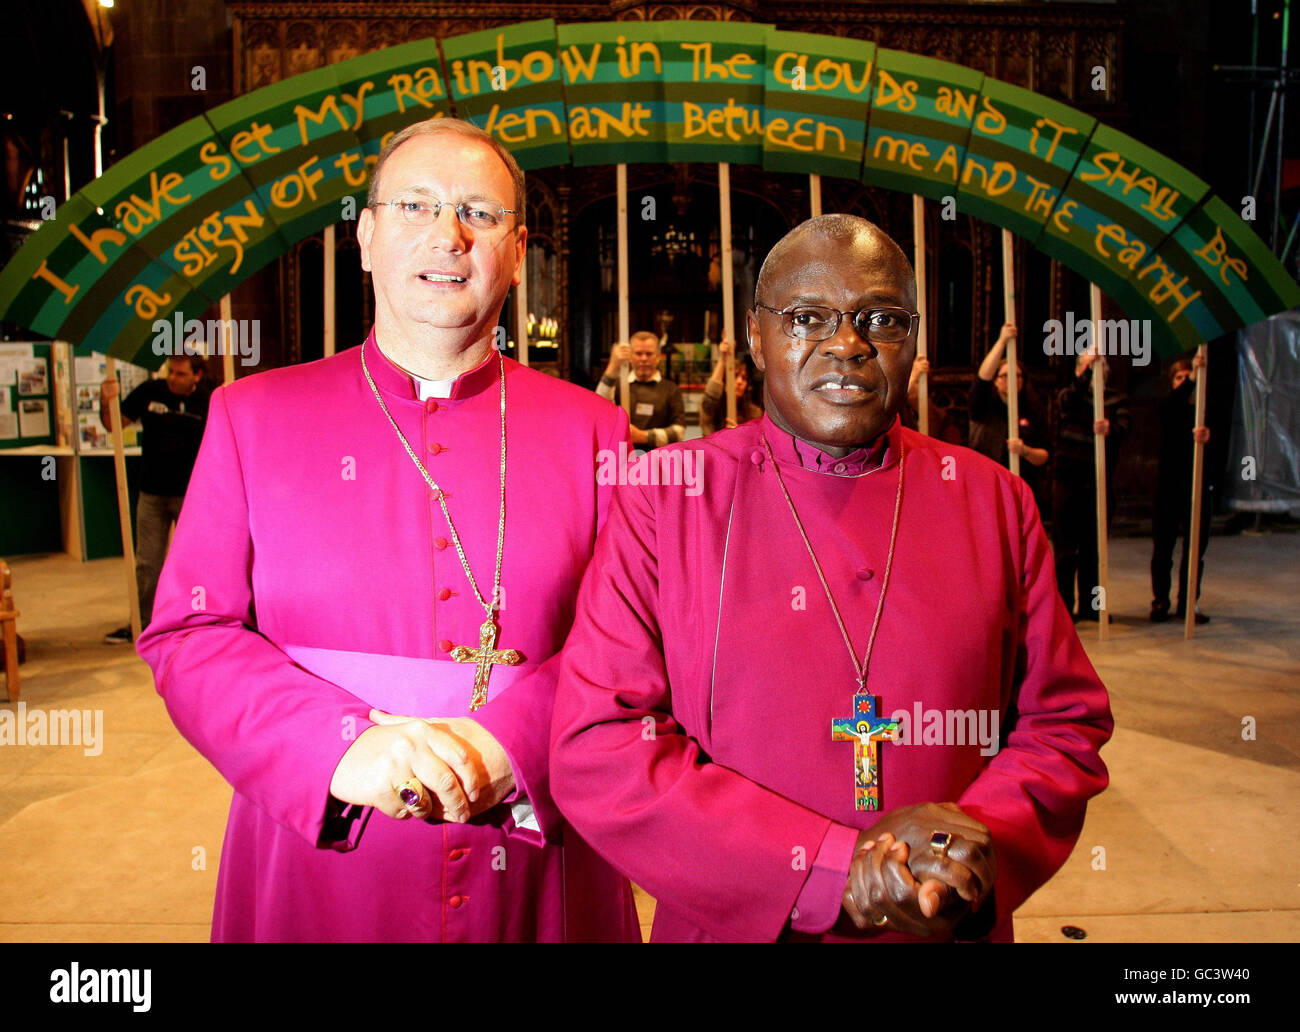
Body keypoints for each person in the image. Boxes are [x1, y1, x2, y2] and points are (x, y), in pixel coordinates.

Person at [137, 117, 638, 942]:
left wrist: (513, 742)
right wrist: (339, 748)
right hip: (322, 847)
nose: (448, 234)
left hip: (537, 847)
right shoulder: (250, 417)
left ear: (516, 253)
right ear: (366, 238)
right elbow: (191, 632)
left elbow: (630, 642)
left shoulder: (595, 432)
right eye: (415, 206)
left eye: (480, 213)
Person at [551, 214, 1112, 942]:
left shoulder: (992, 500)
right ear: (755, 338)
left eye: (880, 318)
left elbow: (1064, 725)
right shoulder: (667, 497)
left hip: (939, 927)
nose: (847, 344)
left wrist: (980, 842)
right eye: (806, 317)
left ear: (911, 340)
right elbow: (601, 741)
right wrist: (829, 869)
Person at [100, 352, 209, 643]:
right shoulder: (150, 391)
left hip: (191, 497)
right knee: (148, 563)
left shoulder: (208, 402)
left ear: (197, 376)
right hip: (152, 493)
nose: (173, 378)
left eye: (181, 374)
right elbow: (113, 424)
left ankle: (198, 621)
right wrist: (106, 399)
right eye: (170, 372)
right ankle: (142, 622)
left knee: (196, 562)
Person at [1053, 349, 1130, 621]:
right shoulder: (1069, 393)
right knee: (1065, 550)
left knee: (1094, 550)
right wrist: (1085, 375)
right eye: (1087, 367)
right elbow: (1069, 402)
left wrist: (1110, 428)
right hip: (1068, 479)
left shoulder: (1114, 397)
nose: (1094, 371)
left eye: (1098, 367)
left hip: (1098, 478)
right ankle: (1063, 607)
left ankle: (1092, 605)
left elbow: (1125, 426)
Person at [1150, 354, 1211, 623]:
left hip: (1196, 487)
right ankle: (1160, 600)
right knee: (1163, 548)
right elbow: (1174, 408)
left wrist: (1207, 438)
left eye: (1189, 377)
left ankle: (1188, 602)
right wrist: (1192, 380)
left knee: (1194, 549)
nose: (1185, 382)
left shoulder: (1204, 412)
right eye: (1179, 378)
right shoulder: (1168, 407)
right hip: (1169, 488)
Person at [968, 323, 1049, 474]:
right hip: (987, 478)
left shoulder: (1032, 409)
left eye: (1017, 375)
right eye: (1005, 376)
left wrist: (1025, 451)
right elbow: (983, 378)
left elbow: (1044, 455)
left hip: (1021, 482)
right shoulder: (983, 405)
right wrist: (1002, 341)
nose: (1012, 379)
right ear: (996, 381)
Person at [597, 331, 685, 449]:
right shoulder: (619, 386)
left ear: (658, 357)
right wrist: (613, 366)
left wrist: (643, 436)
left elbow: (679, 432)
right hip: (623, 459)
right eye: (638, 353)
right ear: (631, 357)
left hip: (657, 460)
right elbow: (599, 408)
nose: (643, 358)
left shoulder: (671, 389)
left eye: (649, 354)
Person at [699, 339, 763, 436]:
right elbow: (710, 397)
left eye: (744, 378)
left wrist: (738, 435)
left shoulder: (754, 412)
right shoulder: (712, 411)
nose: (740, 382)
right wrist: (722, 360)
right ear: (724, 383)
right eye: (735, 376)